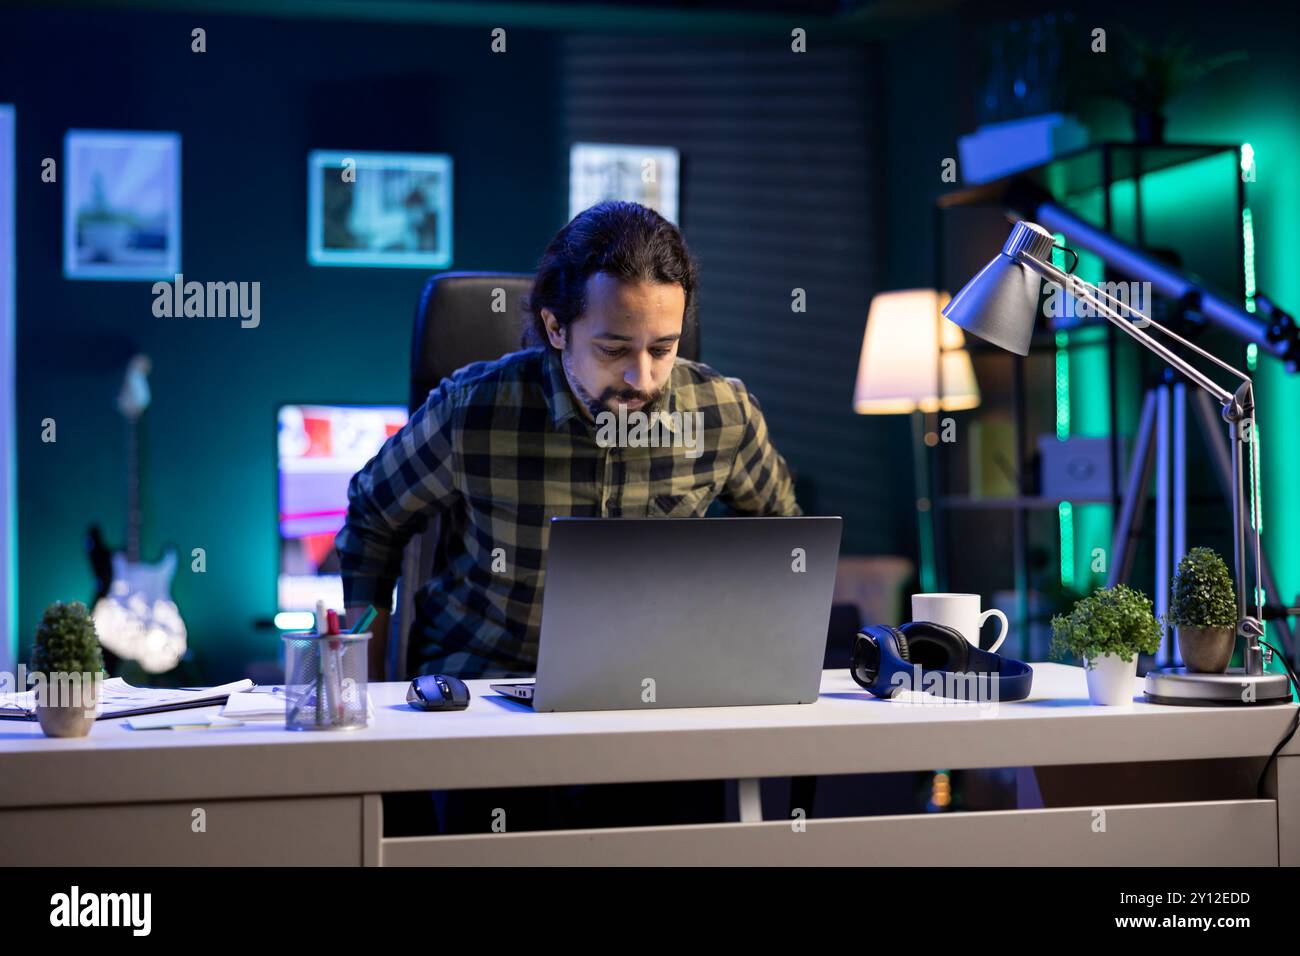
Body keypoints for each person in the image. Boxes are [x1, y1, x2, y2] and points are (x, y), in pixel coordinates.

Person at [336, 200, 800, 833]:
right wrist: (364, 676)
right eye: (613, 350)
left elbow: (784, 542)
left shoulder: (722, 414)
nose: (642, 378)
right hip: (487, 693)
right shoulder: (474, 411)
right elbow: (371, 514)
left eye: (662, 349)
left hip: (650, 699)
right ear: (556, 328)